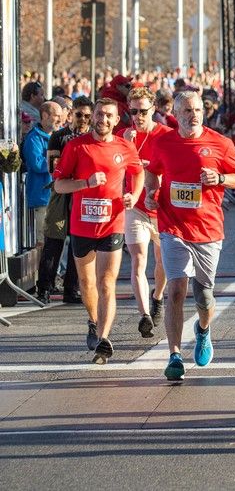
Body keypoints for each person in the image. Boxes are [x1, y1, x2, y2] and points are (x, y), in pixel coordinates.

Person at [144, 91, 235, 382]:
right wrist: (150, 195)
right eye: (188, 110)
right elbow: (152, 173)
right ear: (176, 112)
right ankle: (174, 355)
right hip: (172, 226)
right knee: (176, 289)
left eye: (199, 110)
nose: (194, 115)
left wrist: (221, 179)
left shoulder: (220, 143)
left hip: (208, 229)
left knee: (203, 296)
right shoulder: (163, 142)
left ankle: (203, 330)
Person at [52, 98, 143, 364]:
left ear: (117, 120)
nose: (103, 119)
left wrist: (134, 196)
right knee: (87, 282)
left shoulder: (125, 147)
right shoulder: (76, 147)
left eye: (109, 116)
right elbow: (59, 186)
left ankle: (104, 338)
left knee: (106, 282)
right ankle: (93, 320)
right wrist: (85, 183)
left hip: (112, 222)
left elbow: (137, 172)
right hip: (82, 224)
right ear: (93, 117)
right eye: (99, 115)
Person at [119, 87, 171, 336]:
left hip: (162, 209)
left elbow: (174, 174)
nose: (138, 116)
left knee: (162, 262)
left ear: (154, 110)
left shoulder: (167, 136)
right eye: (133, 111)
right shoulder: (122, 136)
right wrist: (126, 147)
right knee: (139, 259)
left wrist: (157, 194)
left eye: (143, 111)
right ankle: (144, 315)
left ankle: (158, 296)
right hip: (135, 208)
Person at [36, 96, 92, 303]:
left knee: (79, 244)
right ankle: (44, 288)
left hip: (84, 195)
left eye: (87, 116)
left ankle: (72, 289)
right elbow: (53, 168)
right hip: (61, 195)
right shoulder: (59, 137)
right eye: (79, 115)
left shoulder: (94, 138)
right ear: (71, 115)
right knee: (54, 241)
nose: (83, 119)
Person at [23, 101, 60, 265]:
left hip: (57, 197)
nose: (60, 120)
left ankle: (54, 273)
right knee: (43, 241)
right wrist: (57, 159)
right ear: (45, 116)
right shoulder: (33, 138)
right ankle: (42, 278)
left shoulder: (57, 136)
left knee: (57, 241)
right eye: (57, 116)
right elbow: (37, 165)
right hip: (41, 197)